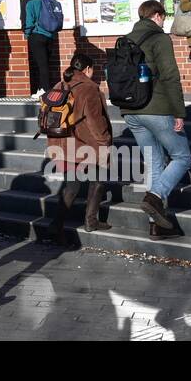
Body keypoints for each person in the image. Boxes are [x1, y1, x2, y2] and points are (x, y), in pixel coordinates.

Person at [122, 0, 191, 238]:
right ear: (157, 16)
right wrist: (179, 111)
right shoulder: (160, 39)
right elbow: (171, 76)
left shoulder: (126, 39)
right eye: (164, 17)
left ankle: (157, 225)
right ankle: (155, 196)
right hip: (157, 108)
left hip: (131, 111)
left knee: (154, 163)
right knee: (182, 156)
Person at [46, 55, 113, 245]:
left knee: (72, 186)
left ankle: (56, 225)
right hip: (87, 143)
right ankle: (90, 221)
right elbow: (95, 121)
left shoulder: (59, 85)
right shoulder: (89, 88)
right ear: (88, 69)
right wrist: (105, 141)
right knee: (98, 179)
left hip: (61, 143)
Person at [22, 0, 54, 98]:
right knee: (45, 63)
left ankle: (45, 89)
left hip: (36, 34)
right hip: (49, 35)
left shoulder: (29, 0)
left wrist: (27, 33)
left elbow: (29, 20)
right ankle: (42, 88)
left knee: (40, 64)